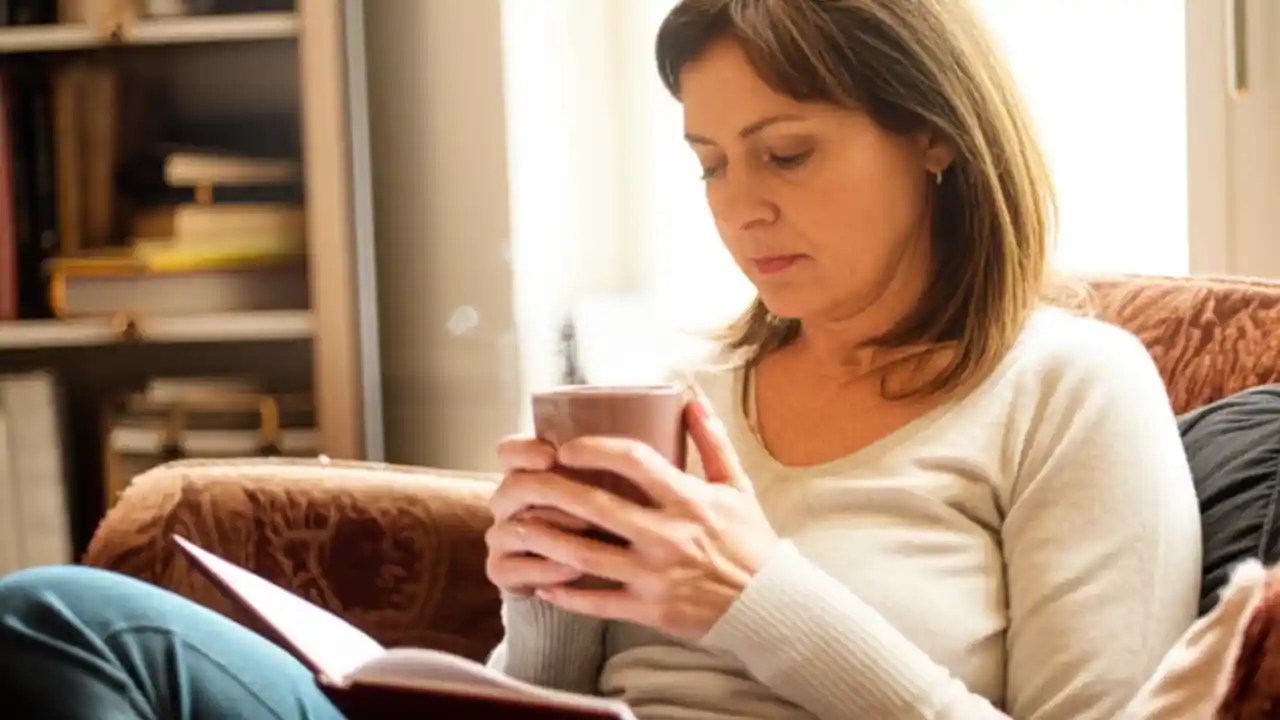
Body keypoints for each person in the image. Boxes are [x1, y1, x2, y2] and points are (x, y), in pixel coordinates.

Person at [0, 1, 1199, 718]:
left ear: (932, 133)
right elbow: (557, 695)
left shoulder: (1069, 390)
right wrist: (543, 599)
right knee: (60, 620)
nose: (739, 208)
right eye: (709, 163)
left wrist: (756, 598)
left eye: (785, 153)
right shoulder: (680, 395)